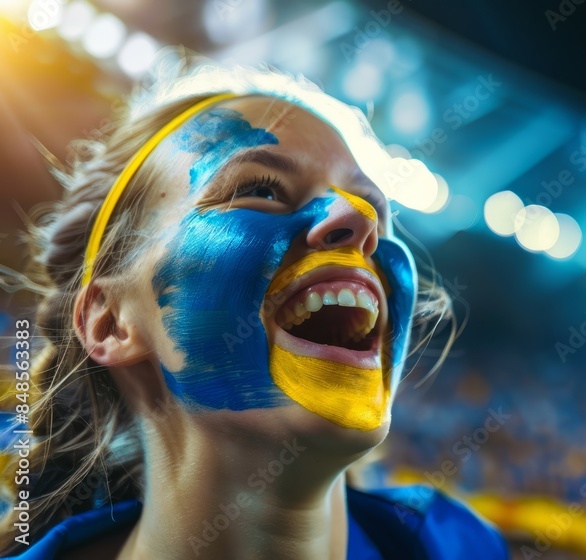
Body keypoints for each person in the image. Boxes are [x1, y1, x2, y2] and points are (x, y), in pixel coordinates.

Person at [0, 52, 506, 559]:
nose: (359, 219)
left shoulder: (464, 548)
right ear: (109, 322)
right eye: (261, 189)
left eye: (372, 205)